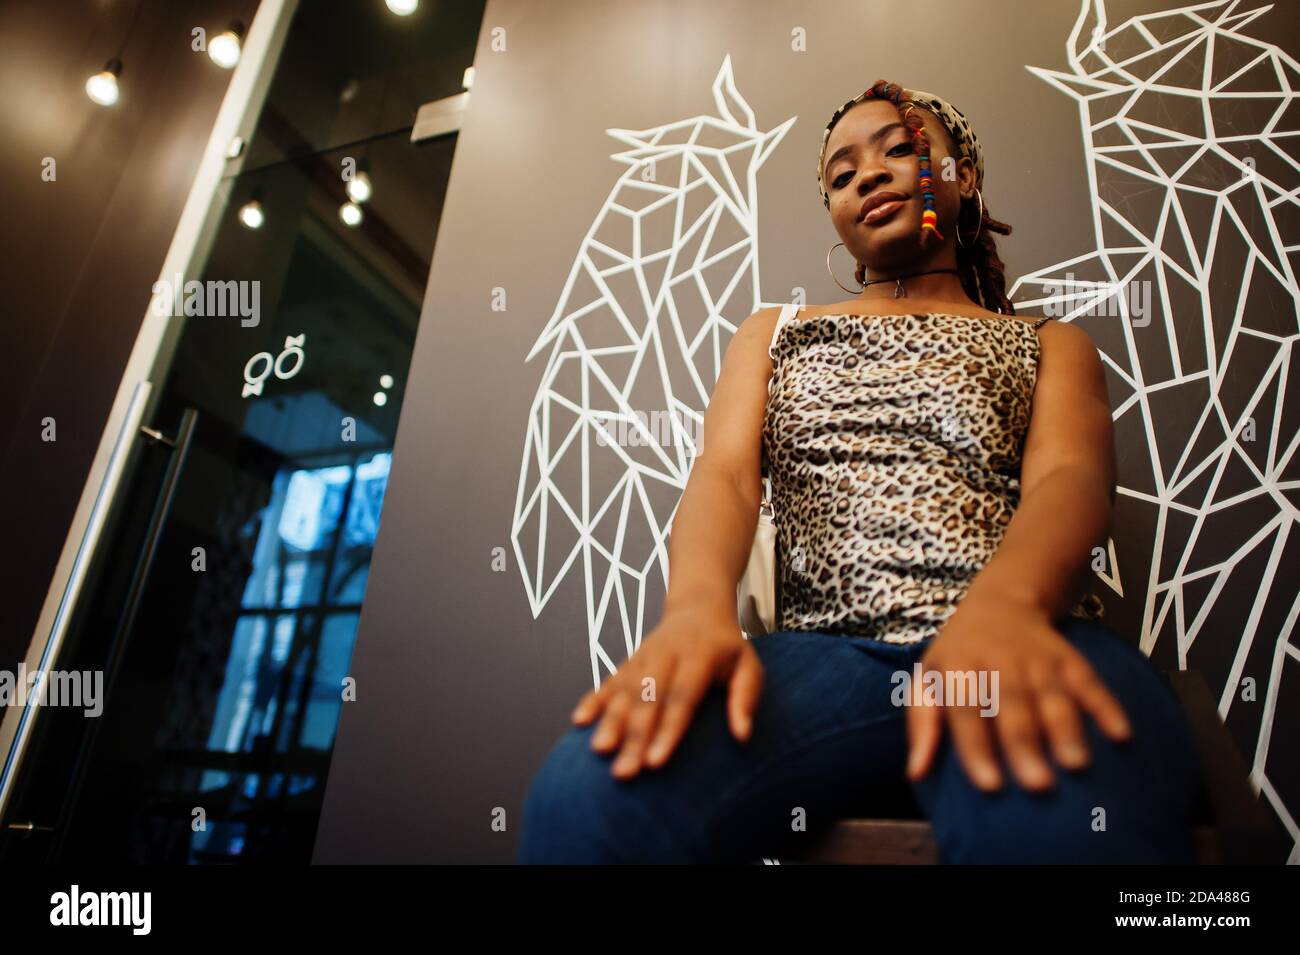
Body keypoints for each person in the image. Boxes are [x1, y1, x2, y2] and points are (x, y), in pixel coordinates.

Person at [518, 80, 1202, 864]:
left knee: (1063, 829)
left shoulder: (1048, 342)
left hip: (1021, 635)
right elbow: (726, 477)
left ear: (962, 177)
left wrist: (1005, 608)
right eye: (841, 175)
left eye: (899, 149)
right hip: (826, 657)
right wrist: (695, 611)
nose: (866, 177)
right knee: (592, 803)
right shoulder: (773, 334)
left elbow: (1071, 480)